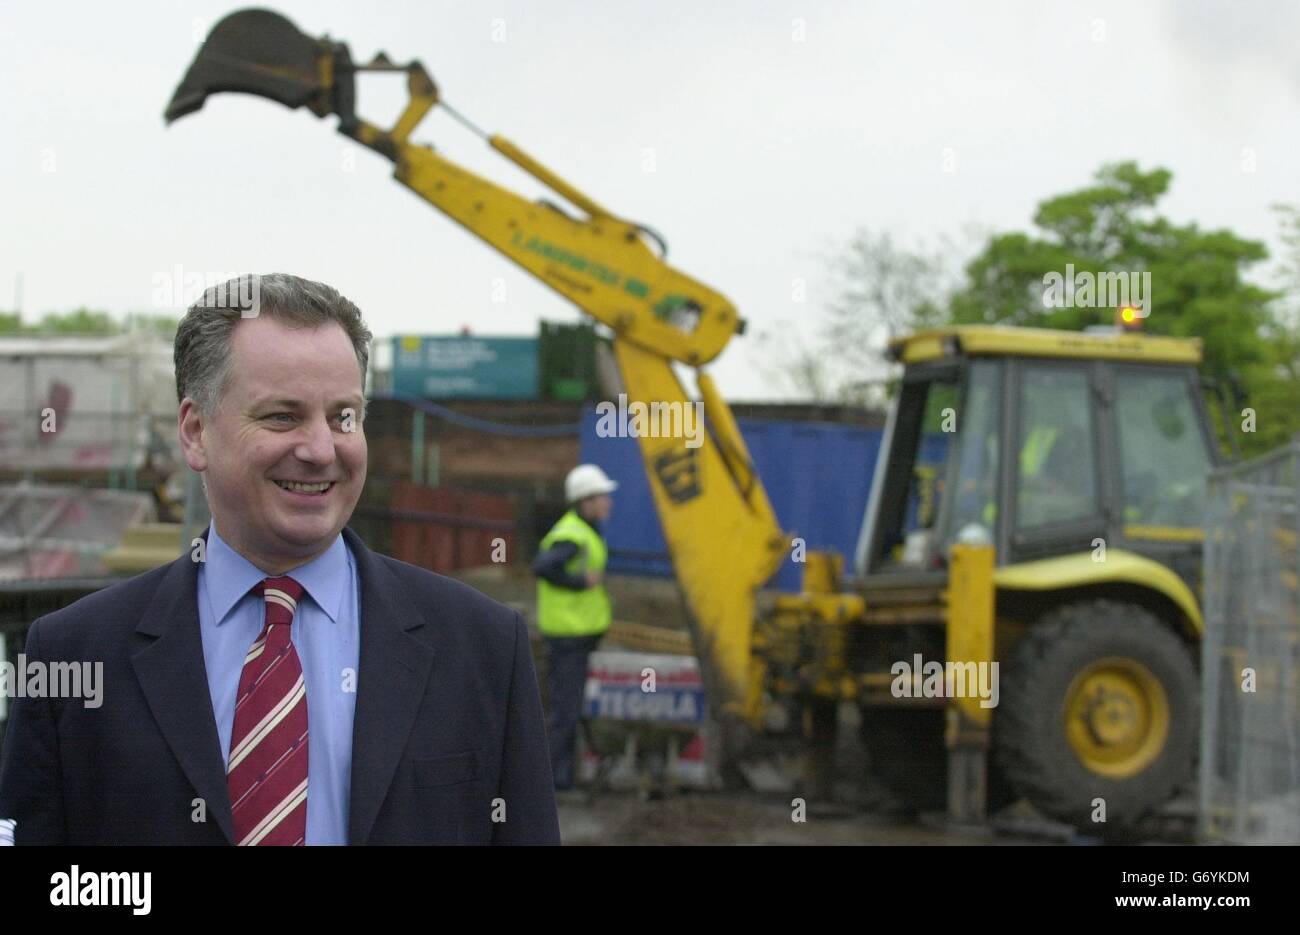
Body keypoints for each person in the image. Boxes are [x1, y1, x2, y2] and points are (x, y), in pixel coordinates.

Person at [0, 273, 559, 845]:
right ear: (195, 433)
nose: (320, 450)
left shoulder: (484, 647)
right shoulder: (74, 654)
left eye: (343, 416)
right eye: (282, 417)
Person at [532, 465, 617, 791]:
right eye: (602, 496)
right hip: (569, 636)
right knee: (565, 712)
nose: (608, 502)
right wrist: (580, 581)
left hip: (578, 636)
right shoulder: (571, 535)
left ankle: (563, 777)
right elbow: (542, 567)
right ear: (585, 501)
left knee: (570, 709)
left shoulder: (583, 531)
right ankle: (553, 782)